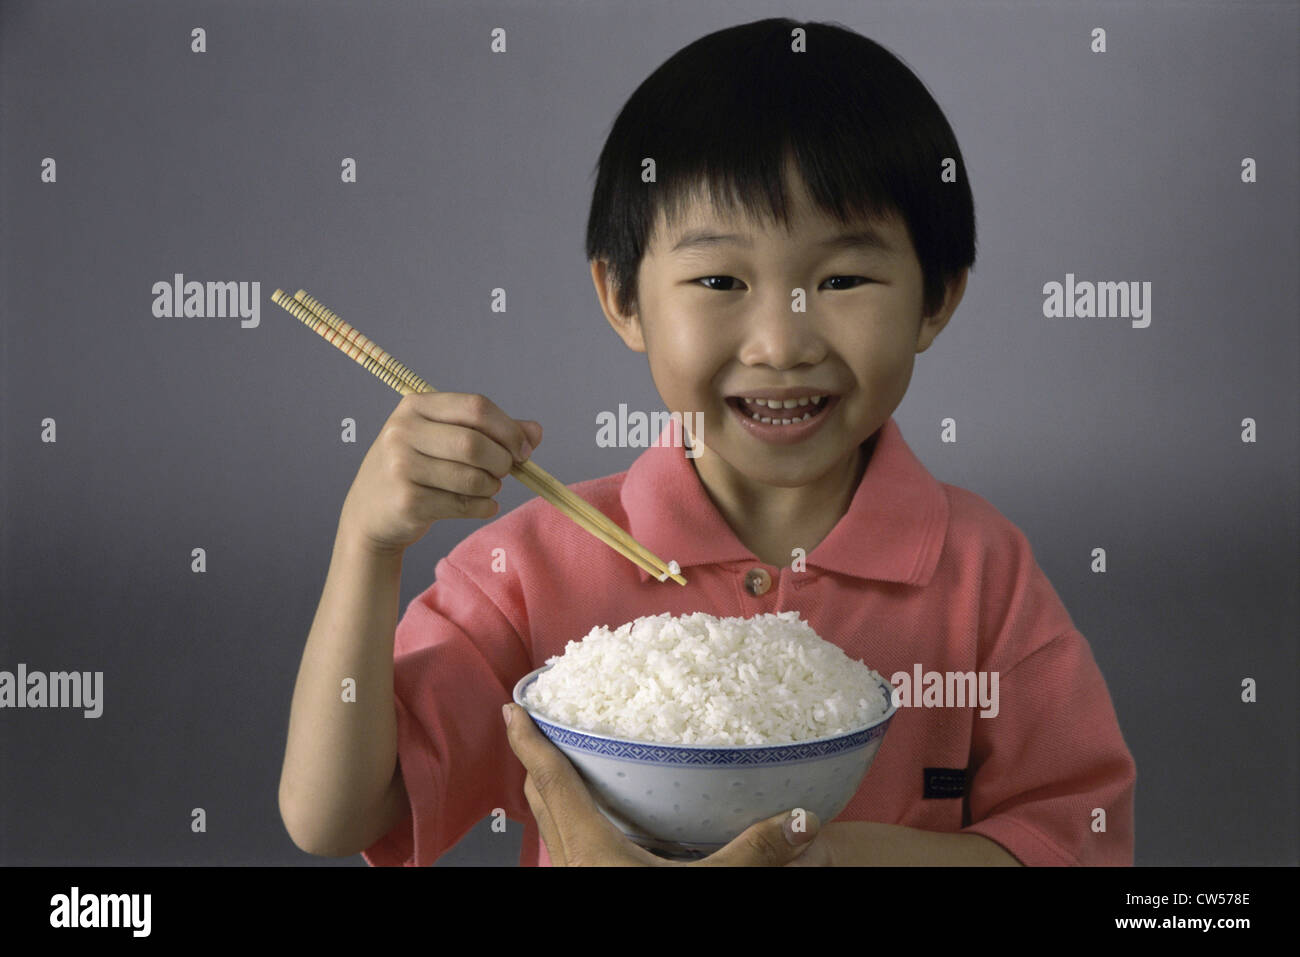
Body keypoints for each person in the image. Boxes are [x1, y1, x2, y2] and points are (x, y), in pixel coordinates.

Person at [278, 17, 1135, 866]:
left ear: (937, 296)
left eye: (841, 278)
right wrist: (367, 546)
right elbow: (335, 815)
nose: (781, 341)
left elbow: (1079, 840)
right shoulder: (531, 571)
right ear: (622, 297)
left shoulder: (982, 574)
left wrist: (831, 857)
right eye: (719, 279)